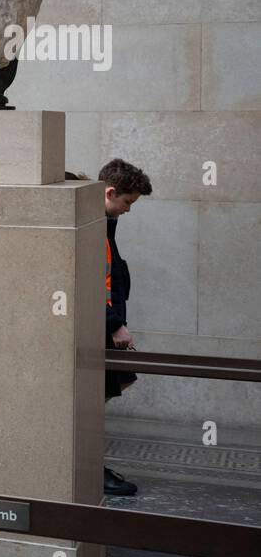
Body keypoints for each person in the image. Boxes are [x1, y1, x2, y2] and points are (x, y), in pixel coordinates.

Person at [97, 158, 152, 496]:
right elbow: (93, 281)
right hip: (100, 327)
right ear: (111, 192)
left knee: (100, 395)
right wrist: (115, 325)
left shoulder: (103, 222)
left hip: (105, 324)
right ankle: (89, 468)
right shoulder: (93, 225)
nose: (128, 210)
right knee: (93, 399)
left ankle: (90, 465)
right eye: (127, 202)